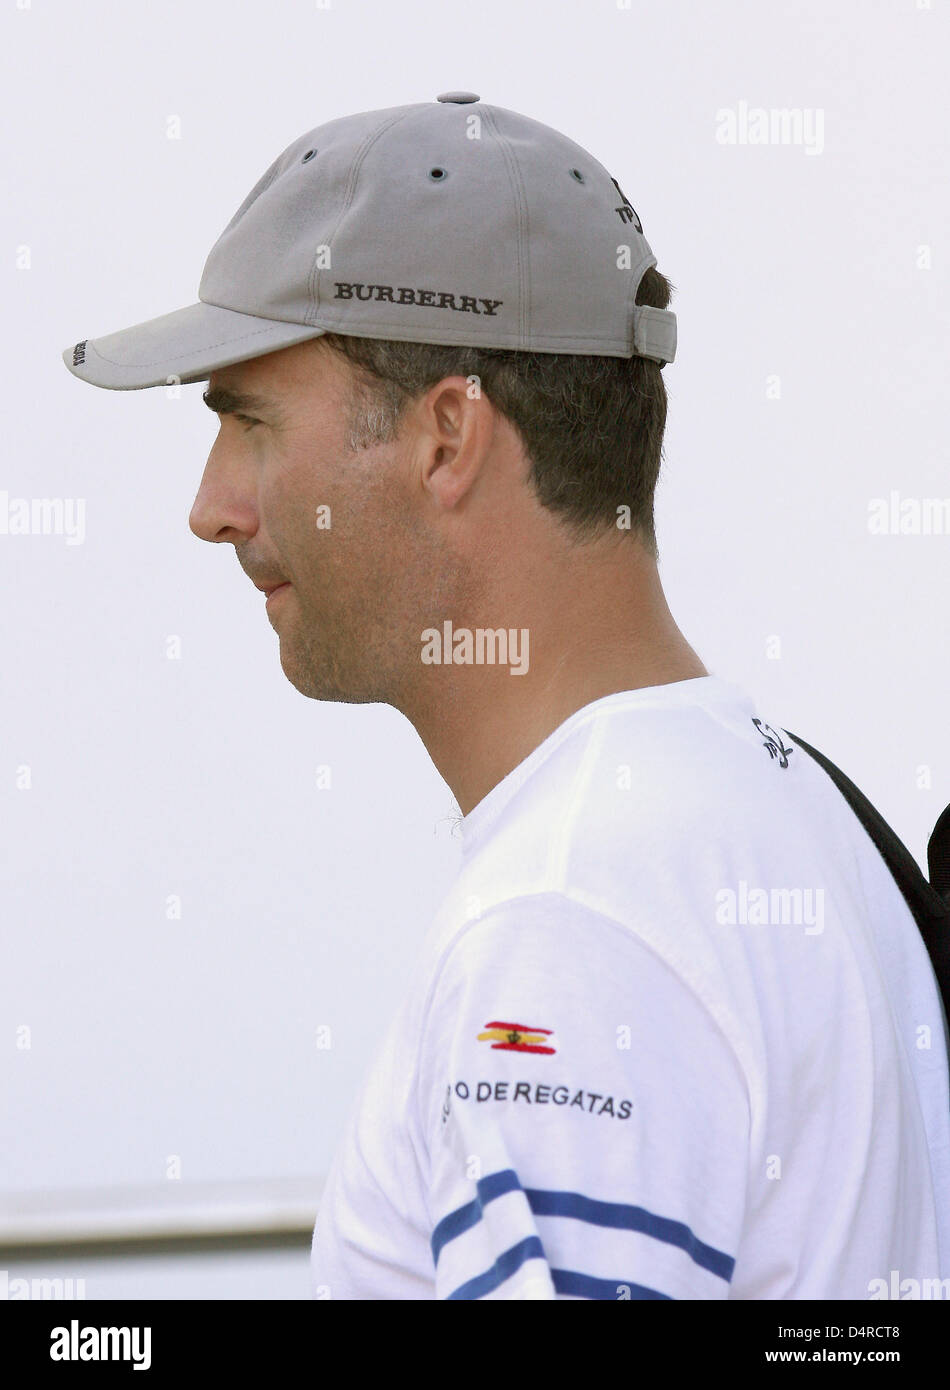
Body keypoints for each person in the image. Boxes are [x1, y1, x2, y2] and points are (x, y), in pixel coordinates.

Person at [62, 94, 949, 1301]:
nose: (212, 505)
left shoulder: (571, 921)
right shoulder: (772, 810)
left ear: (446, 437)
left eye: (250, 422)